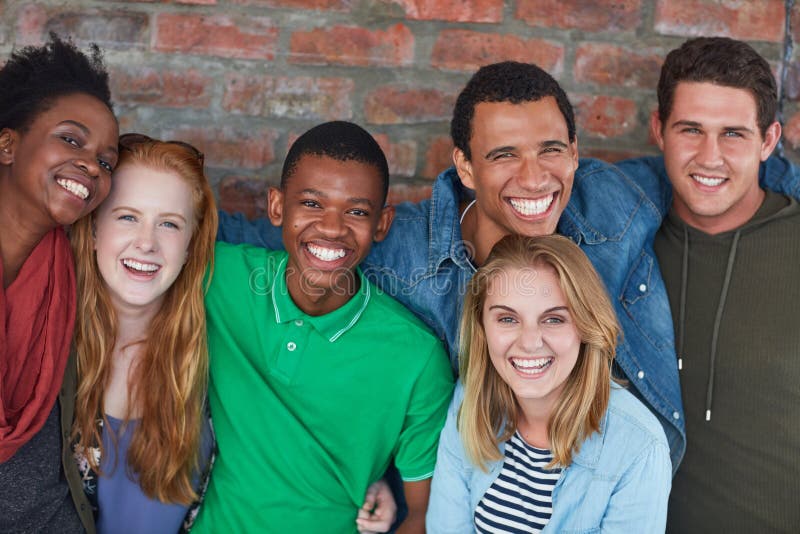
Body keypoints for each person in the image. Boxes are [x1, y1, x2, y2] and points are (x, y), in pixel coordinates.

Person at [216, 62, 689, 472]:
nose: (534, 177)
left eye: (551, 149)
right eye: (504, 155)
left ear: (575, 152)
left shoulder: (614, 200)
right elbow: (285, 233)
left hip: (621, 485)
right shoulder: (407, 253)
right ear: (464, 168)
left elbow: (721, 164)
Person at [192, 121, 454, 533]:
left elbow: (426, 515)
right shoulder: (217, 278)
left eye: (356, 212)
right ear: (277, 207)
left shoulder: (417, 360)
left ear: (382, 224)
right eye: (312, 204)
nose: (332, 227)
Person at [635, 37, 800, 531]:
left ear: (768, 141)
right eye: (691, 129)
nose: (710, 157)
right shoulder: (617, 246)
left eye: (733, 134)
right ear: (658, 129)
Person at [427, 234, 671, 532]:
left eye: (554, 319)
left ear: (585, 326)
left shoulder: (638, 446)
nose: (530, 343)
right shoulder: (470, 400)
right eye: (507, 319)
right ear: (482, 326)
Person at [69, 134, 217, 533]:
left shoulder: (217, 351)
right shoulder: (50, 339)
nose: (147, 243)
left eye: (169, 223)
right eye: (127, 216)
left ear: (190, 245)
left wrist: (365, 478)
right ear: (94, 228)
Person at [0, 35, 119, 532]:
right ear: (8, 144)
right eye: (71, 139)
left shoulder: (80, 275)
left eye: (107, 161)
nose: (92, 165)